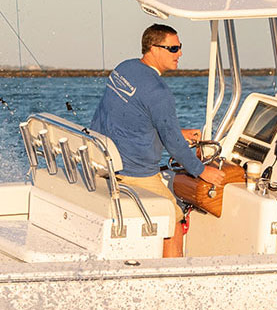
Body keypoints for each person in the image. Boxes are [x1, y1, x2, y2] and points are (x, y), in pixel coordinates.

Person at [89, 24, 210, 257]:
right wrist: (202, 171)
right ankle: (172, 281)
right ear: (153, 48)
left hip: (105, 159)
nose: (180, 54)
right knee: (174, 217)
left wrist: (178, 132)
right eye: (173, 48)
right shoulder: (158, 91)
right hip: (134, 171)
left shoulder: (125, 68)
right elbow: (174, 146)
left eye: (180, 48)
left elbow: (125, 116)